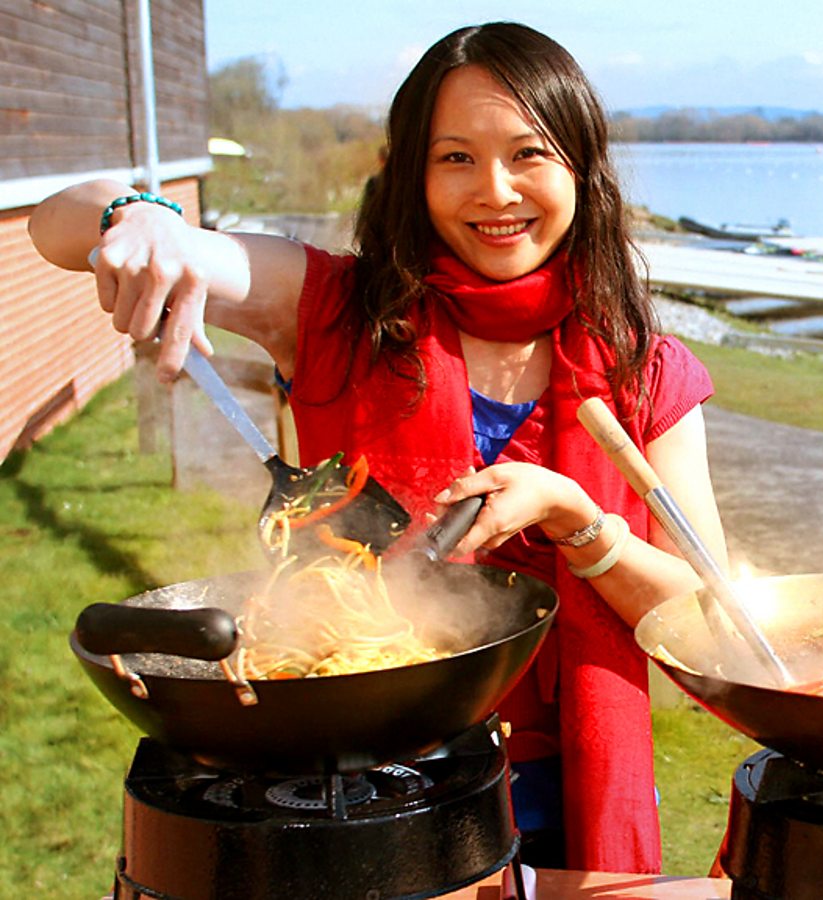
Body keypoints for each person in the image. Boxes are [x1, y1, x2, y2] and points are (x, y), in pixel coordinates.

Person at [29, 21, 723, 876]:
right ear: (411, 174)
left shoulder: (645, 372)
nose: (495, 191)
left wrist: (578, 521)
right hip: (354, 793)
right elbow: (54, 228)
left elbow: (708, 619)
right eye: (456, 157)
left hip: (571, 800)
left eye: (529, 154)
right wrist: (135, 216)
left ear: (581, 168)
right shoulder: (335, 312)